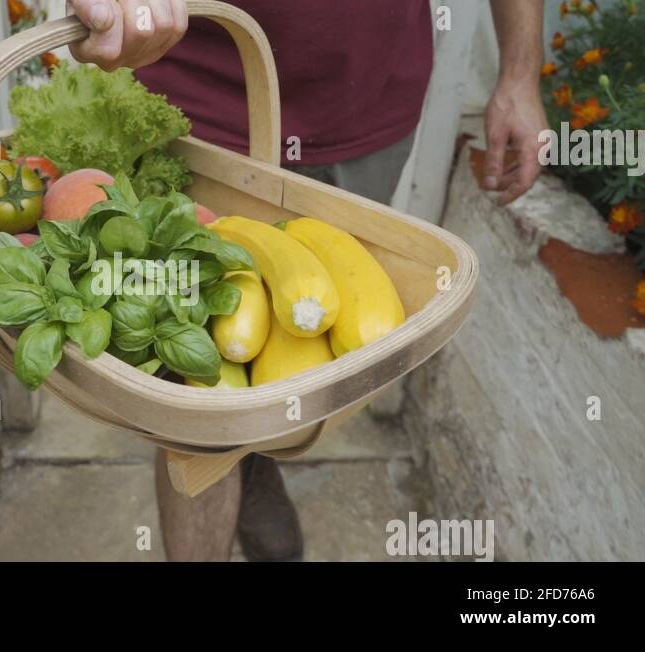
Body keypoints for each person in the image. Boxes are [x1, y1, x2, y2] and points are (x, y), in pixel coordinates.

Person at [67, 0, 549, 561]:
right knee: (196, 392)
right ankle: (231, 458)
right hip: (195, 95)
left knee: (306, 335)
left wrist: (520, 70)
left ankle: (254, 458)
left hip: (366, 106)